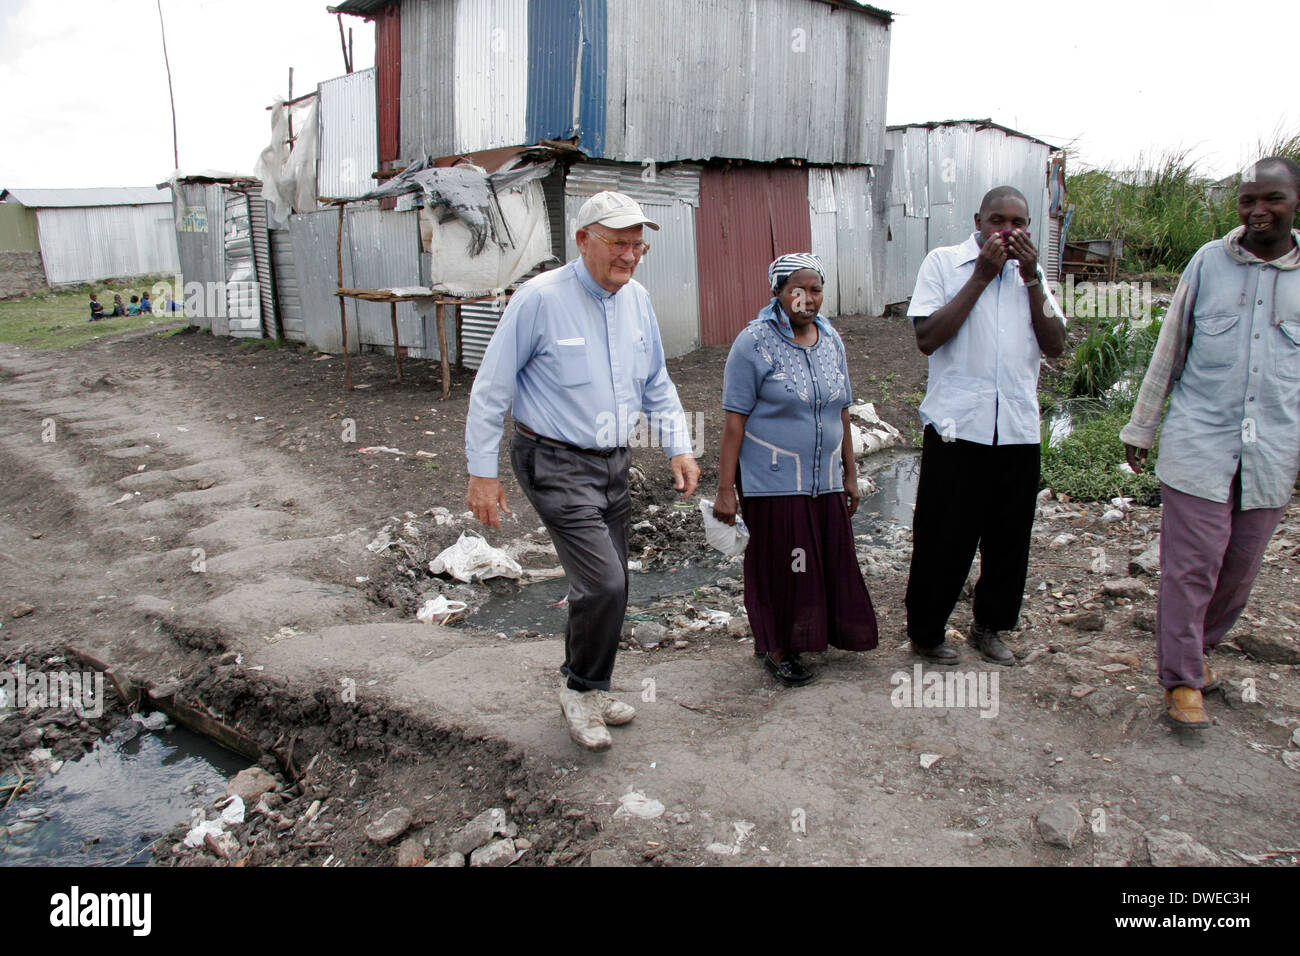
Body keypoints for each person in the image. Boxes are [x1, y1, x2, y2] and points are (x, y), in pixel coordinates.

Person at [465, 190, 701, 752]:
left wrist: (679, 446)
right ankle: (578, 690)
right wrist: (482, 472)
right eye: (618, 244)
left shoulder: (637, 300)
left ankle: (589, 686)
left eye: (638, 246)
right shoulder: (538, 300)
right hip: (552, 460)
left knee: (609, 587)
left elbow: (656, 382)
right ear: (583, 240)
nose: (630, 256)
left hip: (612, 461)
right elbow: (492, 387)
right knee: (605, 581)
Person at [1121, 157, 1300, 729]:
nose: (1258, 211)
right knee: (1189, 567)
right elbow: (1169, 349)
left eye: (1271, 199)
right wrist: (1141, 427)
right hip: (1201, 442)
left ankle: (1199, 649)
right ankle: (1181, 681)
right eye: (1248, 200)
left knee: (1240, 570)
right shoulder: (1208, 263)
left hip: (1272, 450)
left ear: (1295, 202)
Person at [904, 185, 1068, 666]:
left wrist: (1033, 279)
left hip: (1017, 427)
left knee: (1009, 537)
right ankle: (928, 632)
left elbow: (1055, 344)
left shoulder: (1032, 276)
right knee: (942, 534)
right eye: (999, 221)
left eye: (1019, 224)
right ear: (979, 221)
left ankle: (989, 626)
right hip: (957, 428)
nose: (1008, 232)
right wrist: (982, 275)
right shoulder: (943, 263)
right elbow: (927, 338)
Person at [713, 254, 878, 686]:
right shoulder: (753, 343)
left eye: (816, 289)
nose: (808, 299)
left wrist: (849, 473)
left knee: (821, 561)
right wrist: (726, 489)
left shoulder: (831, 339)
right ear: (779, 292)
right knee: (784, 564)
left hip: (823, 480)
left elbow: (842, 409)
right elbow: (734, 421)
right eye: (797, 290)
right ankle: (777, 647)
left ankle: (813, 635)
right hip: (773, 480)